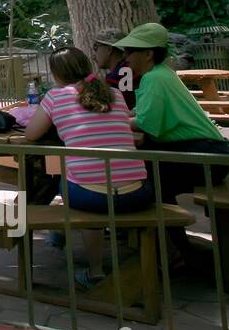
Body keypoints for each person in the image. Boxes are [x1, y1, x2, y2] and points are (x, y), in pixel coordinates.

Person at [24, 46, 152, 288]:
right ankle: (61, 234)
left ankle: (95, 272)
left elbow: (31, 134)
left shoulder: (55, 97)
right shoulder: (114, 94)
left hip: (93, 197)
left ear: (56, 73)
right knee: (87, 180)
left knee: (73, 183)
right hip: (138, 192)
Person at [113, 22, 229, 203]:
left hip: (204, 156)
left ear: (148, 54)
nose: (125, 58)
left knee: (138, 173)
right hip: (210, 154)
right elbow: (142, 111)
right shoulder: (161, 73)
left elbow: (146, 123)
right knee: (148, 170)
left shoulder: (154, 78)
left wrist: (112, 121)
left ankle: (155, 227)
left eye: (129, 51)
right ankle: (166, 228)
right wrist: (123, 115)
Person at [92, 28, 135, 109]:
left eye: (96, 48)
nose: (94, 56)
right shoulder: (134, 68)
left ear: (109, 49)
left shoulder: (115, 77)